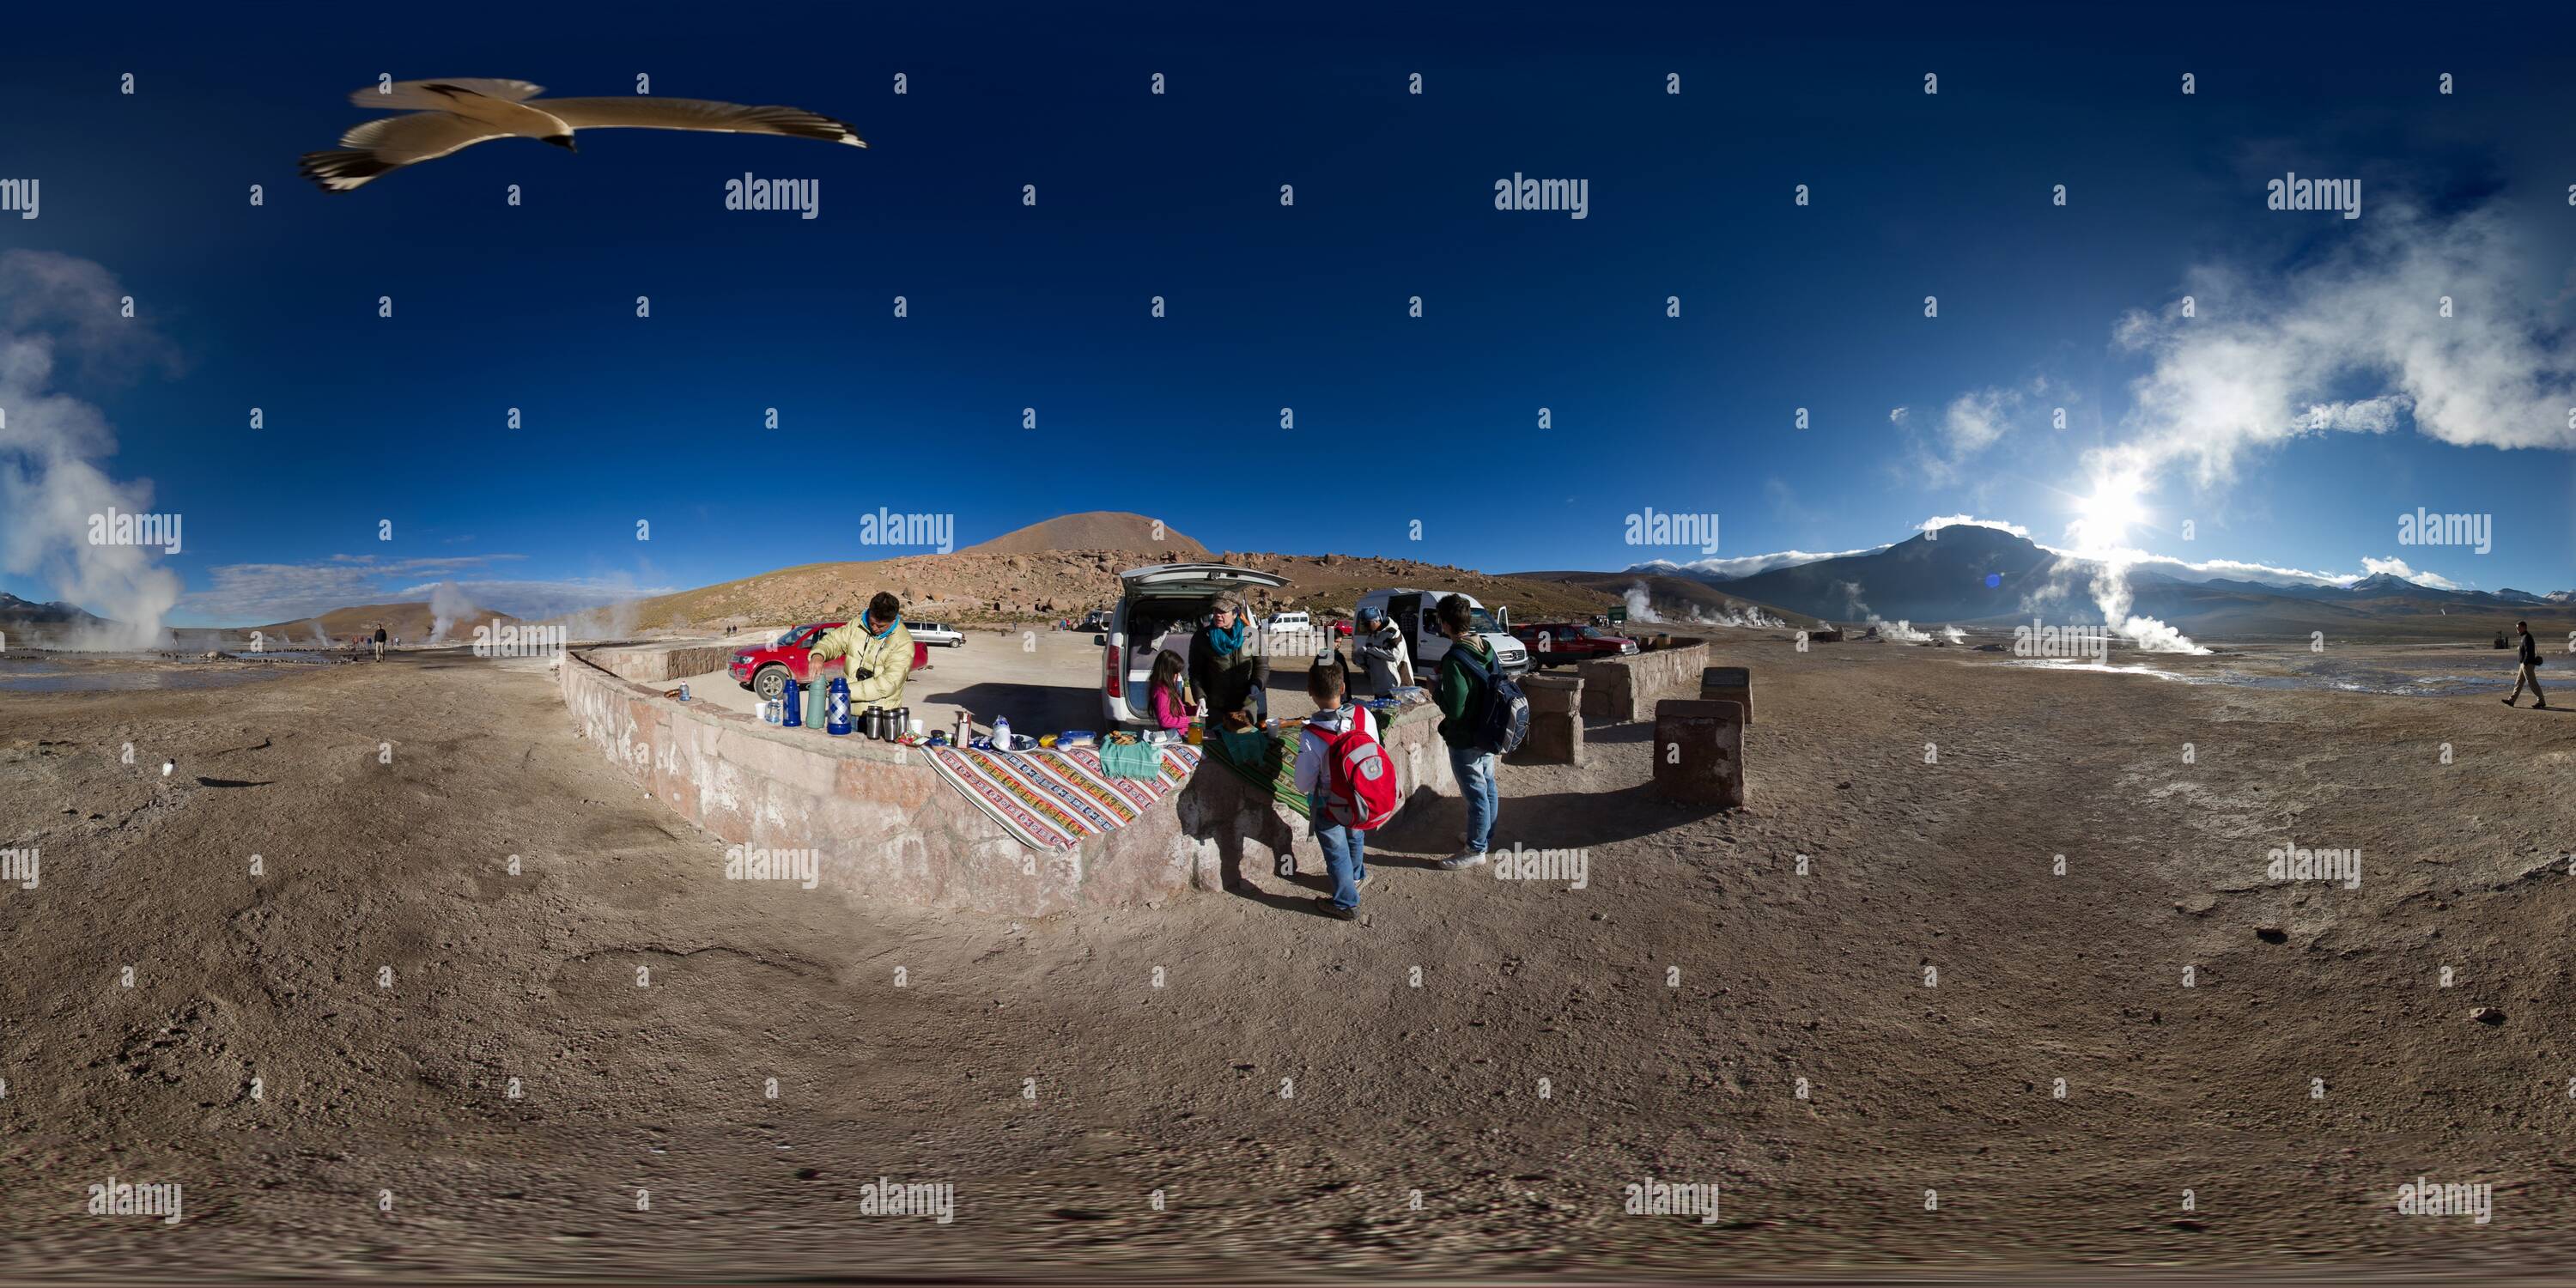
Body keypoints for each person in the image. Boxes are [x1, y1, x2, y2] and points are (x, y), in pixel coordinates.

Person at [1293, 659, 1372, 920]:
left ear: (1310, 692)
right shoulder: (1364, 716)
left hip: (1329, 803)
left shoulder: (1311, 734)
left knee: (1335, 849)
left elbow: (1303, 783)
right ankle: (1357, 874)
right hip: (1361, 795)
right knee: (1355, 833)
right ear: (1343, 687)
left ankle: (1346, 902)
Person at [1431, 593, 1498, 869]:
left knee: (1475, 794)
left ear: (1445, 623)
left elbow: (1455, 709)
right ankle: (1483, 835)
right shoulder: (1485, 646)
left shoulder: (1454, 658)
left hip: (1466, 737)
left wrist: (1436, 689)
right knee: (1489, 786)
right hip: (1488, 730)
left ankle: (1476, 849)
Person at [809, 592, 917, 715]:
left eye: (881, 626)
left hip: (880, 715)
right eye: (872, 623)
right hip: (847, 708)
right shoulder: (856, 625)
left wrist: (843, 690)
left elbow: (888, 683)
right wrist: (819, 654)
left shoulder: (903, 642)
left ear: (893, 620)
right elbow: (834, 641)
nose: (875, 628)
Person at [1189, 595, 1269, 726]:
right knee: (1218, 743)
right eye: (1215, 611)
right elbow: (1195, 672)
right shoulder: (1202, 638)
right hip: (1216, 707)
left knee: (1247, 742)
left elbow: (1262, 666)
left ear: (1235, 613)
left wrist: (1257, 685)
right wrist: (1200, 696)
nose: (1217, 615)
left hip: (1246, 705)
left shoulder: (1252, 635)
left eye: (1222, 611)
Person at [1352, 605, 1413, 695]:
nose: (1366, 628)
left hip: (1398, 687)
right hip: (1380, 689)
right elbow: (1370, 664)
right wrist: (1361, 659)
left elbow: (1394, 656)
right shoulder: (1371, 638)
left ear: (1376, 621)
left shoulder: (1393, 633)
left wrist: (1370, 650)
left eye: (1367, 624)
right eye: (1364, 625)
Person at [1146, 650, 1194, 737]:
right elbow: (1165, 720)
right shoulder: (1162, 691)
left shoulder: (1168, 689)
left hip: (1179, 734)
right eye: (1175, 673)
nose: (1178, 675)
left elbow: (1176, 710)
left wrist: (1194, 710)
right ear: (1167, 672)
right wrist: (1189, 720)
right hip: (1173, 736)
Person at [2504, 620, 2549, 709]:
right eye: (2516, 628)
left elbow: (2529, 652)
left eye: (2518, 627)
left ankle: (2541, 701)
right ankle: (2511, 700)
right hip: (2524, 664)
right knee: (2519, 682)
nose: (2517, 629)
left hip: (2527, 664)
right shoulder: (2524, 637)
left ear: (2524, 627)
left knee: (2532, 683)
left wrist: (2525, 662)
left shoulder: (2527, 637)